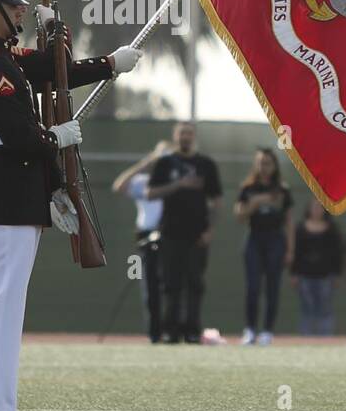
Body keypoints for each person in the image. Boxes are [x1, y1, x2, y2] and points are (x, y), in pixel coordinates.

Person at [0, 0, 142, 411]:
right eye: (11, 3)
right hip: (6, 197)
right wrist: (53, 137)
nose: (20, 8)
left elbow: (50, 70)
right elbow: (20, 137)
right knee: (0, 307)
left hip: (4, 197)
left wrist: (103, 61)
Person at [145, 123, 223, 343]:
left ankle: (192, 331)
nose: (185, 137)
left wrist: (210, 229)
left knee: (195, 283)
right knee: (171, 284)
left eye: (189, 133)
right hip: (170, 232)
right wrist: (178, 184)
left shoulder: (205, 164)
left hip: (198, 234)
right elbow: (150, 193)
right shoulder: (165, 163)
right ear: (175, 136)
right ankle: (171, 331)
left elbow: (217, 201)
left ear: (194, 136)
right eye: (181, 134)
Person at [234, 149, 293, 345]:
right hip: (254, 239)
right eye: (260, 162)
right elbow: (240, 217)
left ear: (274, 166)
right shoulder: (247, 188)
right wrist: (257, 202)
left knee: (272, 287)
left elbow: (289, 221)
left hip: (275, 240)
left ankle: (267, 331)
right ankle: (250, 329)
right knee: (252, 286)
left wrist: (291, 249)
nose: (264, 167)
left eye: (267, 163)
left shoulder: (282, 190)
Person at [112, 142, 170, 342]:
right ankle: (155, 334)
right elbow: (119, 186)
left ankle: (172, 331)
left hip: (169, 234)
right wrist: (147, 162)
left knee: (171, 286)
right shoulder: (143, 180)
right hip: (145, 235)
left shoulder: (174, 180)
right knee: (150, 285)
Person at [291, 198, 343, 335]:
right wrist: (294, 273)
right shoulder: (301, 228)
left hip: (325, 276)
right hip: (305, 276)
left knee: (324, 309)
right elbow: (296, 252)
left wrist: (337, 274)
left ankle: (325, 338)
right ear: (309, 209)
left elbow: (337, 253)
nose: (317, 210)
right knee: (307, 309)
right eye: (314, 207)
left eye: (320, 207)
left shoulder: (331, 229)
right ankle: (306, 338)